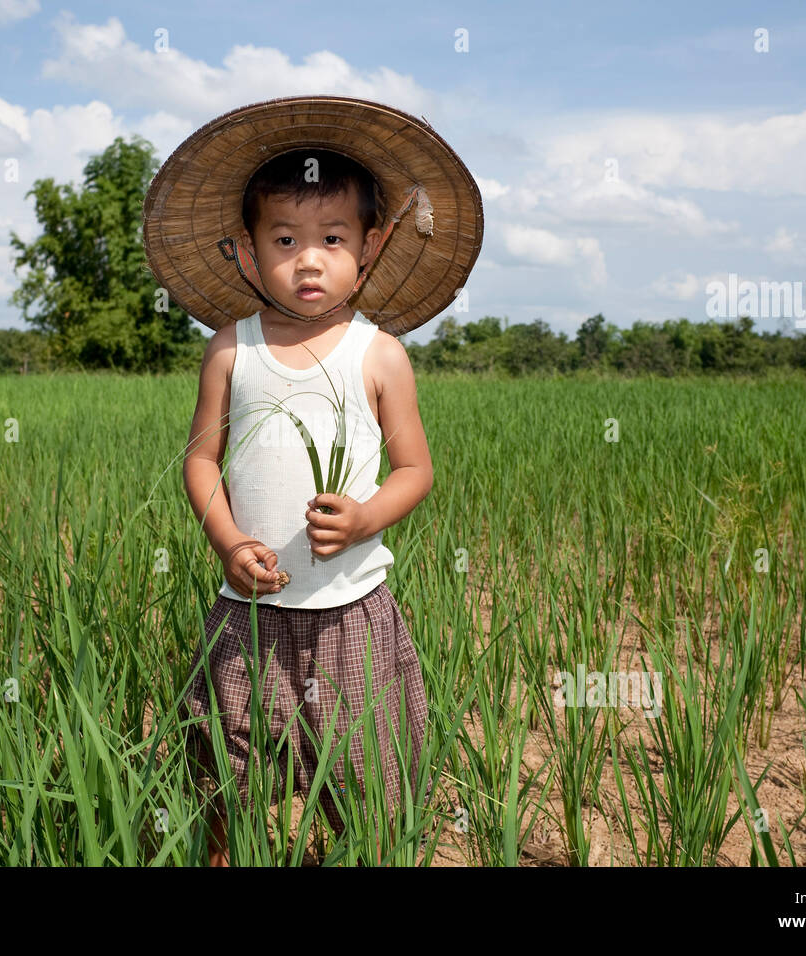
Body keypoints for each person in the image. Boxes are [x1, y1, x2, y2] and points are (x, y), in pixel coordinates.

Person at [142, 95, 483, 866]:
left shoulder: (379, 354)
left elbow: (415, 469)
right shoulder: (232, 349)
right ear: (247, 249)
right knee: (226, 764)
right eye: (285, 239)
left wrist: (365, 518)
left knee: (364, 773)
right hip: (248, 610)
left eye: (332, 238)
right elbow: (201, 460)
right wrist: (228, 542)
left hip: (349, 610)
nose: (308, 259)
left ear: (370, 244)